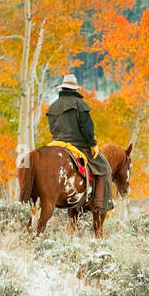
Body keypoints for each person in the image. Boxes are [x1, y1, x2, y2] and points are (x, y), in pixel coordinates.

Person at [46, 73, 112, 214]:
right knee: (104, 167)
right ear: (75, 89)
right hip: (78, 145)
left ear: (63, 88)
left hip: (55, 144)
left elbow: (52, 128)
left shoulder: (53, 106)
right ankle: (102, 203)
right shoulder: (80, 105)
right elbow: (87, 129)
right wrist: (93, 144)